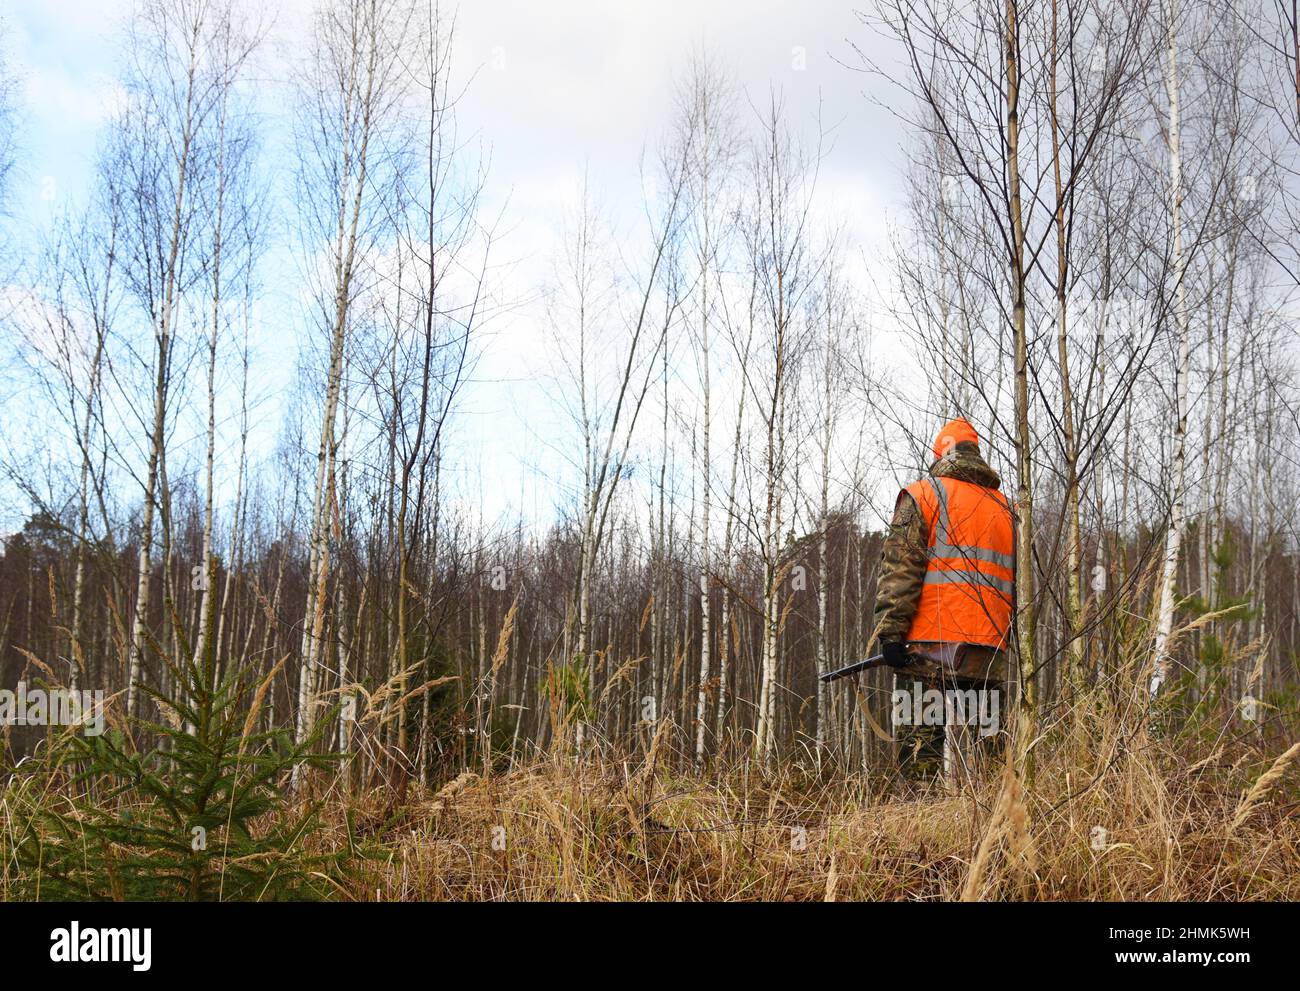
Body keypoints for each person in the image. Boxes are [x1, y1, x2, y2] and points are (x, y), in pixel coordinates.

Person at [872, 418, 1015, 780]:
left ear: (941, 454)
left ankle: (922, 831)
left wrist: (890, 633)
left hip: (926, 651)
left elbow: (901, 569)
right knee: (995, 759)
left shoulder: (923, 495)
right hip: (988, 652)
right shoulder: (1008, 510)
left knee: (921, 755)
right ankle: (1005, 827)